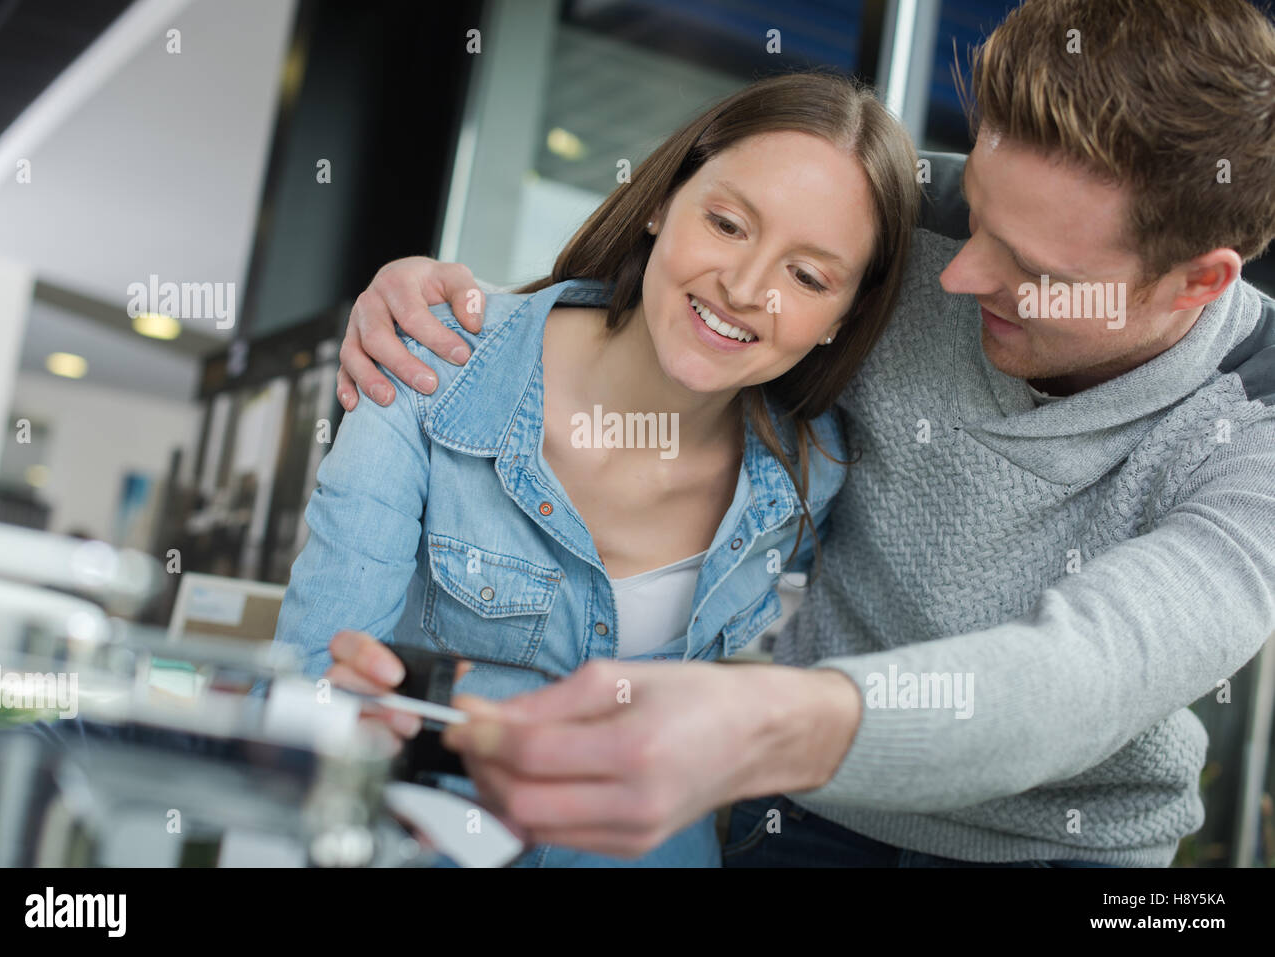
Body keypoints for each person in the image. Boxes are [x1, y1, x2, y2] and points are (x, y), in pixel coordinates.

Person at [330, 0, 1275, 867]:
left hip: (1070, 850)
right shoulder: (892, 227)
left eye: (1033, 271)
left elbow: (1089, 670)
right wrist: (434, 300)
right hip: (812, 815)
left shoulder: (1254, 422)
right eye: (975, 214)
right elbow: (674, 298)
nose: (954, 273)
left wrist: (758, 722)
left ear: (1197, 281)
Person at [272, 71, 921, 866]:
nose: (747, 289)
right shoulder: (431, 365)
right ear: (659, 202)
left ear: (842, 318)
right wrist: (351, 713)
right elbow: (312, 692)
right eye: (726, 224)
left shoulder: (814, 470)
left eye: (809, 276)